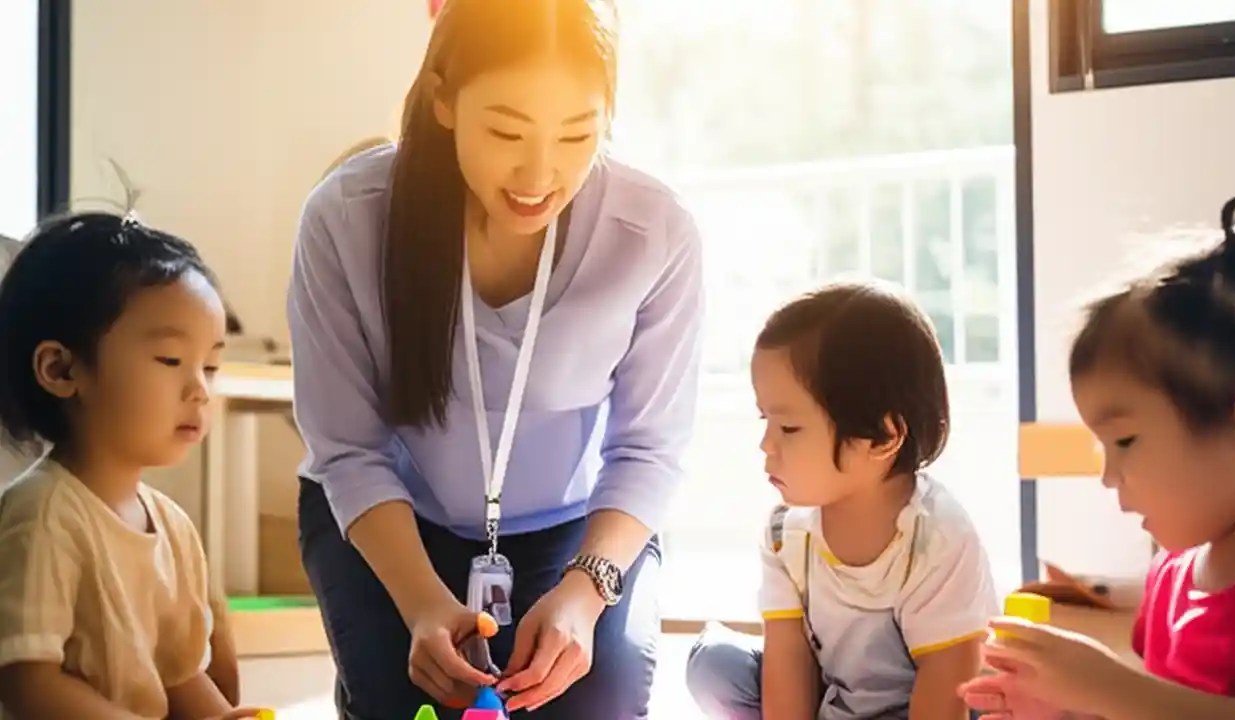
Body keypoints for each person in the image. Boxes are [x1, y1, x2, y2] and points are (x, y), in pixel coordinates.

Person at [286, 0, 703, 718]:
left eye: (578, 134)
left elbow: (649, 451)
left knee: (593, 701)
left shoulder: (654, 231)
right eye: (507, 130)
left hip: (573, 530)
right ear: (444, 97)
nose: (540, 173)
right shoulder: (347, 217)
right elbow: (348, 450)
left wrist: (583, 592)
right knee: (405, 701)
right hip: (386, 520)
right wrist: (419, 604)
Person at [961, 193, 1235, 720]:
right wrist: (1066, 708)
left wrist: (1108, 687)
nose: (1108, 476)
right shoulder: (1170, 577)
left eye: (1125, 441)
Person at [685, 282, 998, 719]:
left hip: (934, 706)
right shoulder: (785, 533)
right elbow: (788, 663)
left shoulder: (937, 537)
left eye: (789, 428)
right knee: (714, 664)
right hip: (838, 702)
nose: (766, 444)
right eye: (765, 420)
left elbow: (947, 685)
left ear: (881, 437)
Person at [0, 212, 261, 720]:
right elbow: (27, 683)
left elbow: (178, 675)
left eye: (209, 366)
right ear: (61, 369)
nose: (200, 389)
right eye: (170, 361)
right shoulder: (42, 515)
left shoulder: (173, 527)